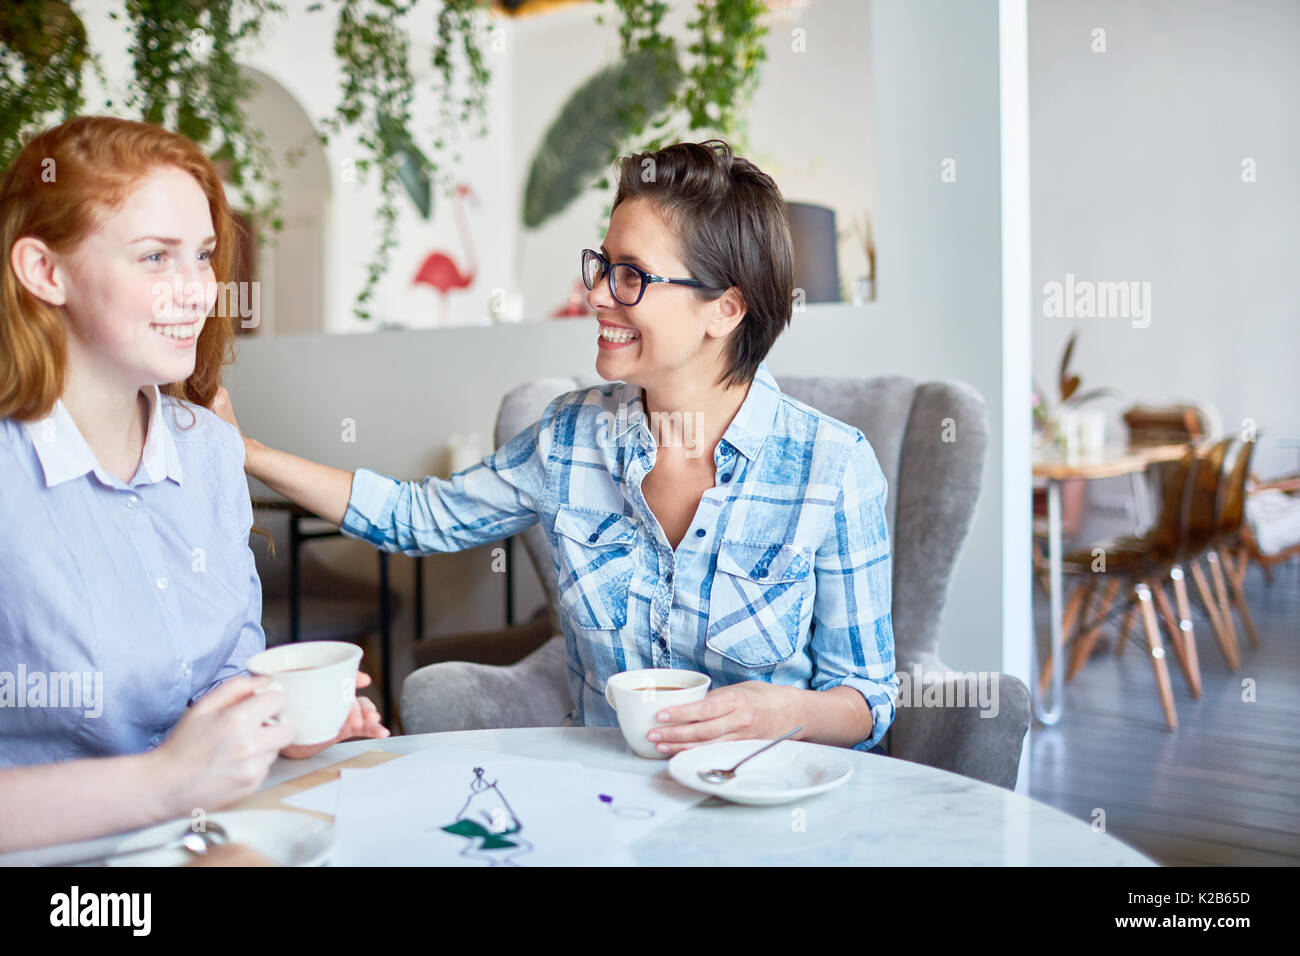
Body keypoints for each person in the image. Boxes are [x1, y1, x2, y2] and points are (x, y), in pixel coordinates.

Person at [216, 140, 899, 756]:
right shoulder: (571, 439)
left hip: (770, 816)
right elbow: (416, 518)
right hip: (605, 806)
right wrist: (246, 449)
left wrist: (780, 711)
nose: (596, 294)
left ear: (725, 308)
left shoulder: (831, 468)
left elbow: (866, 699)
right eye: (602, 265)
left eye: (630, 274)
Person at [0, 116, 387, 853]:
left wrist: (278, 725)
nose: (197, 291)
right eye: (155, 257)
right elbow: (170, 776)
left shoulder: (208, 451)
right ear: (45, 272)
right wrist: (165, 779)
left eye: (204, 256)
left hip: (207, 838)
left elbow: (224, 679)